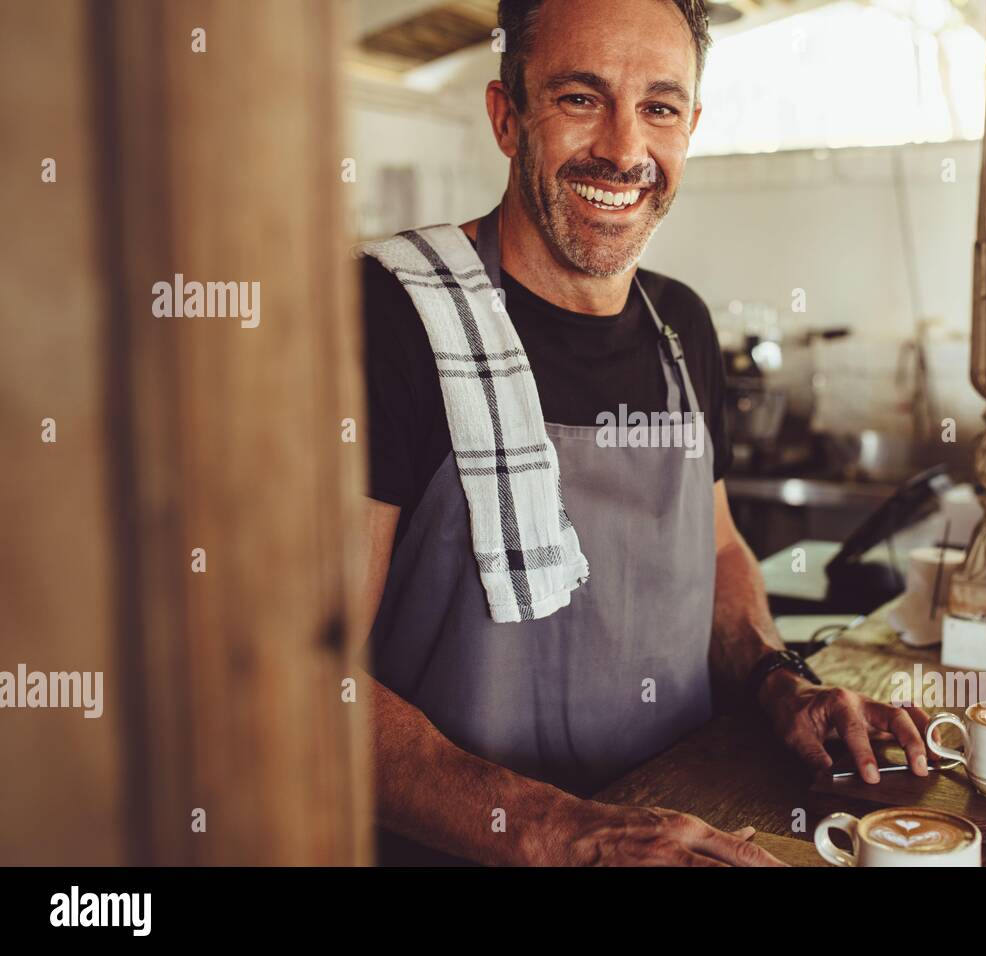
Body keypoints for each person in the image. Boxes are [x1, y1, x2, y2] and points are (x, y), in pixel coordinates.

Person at [359, 0, 932, 866]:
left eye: (659, 108)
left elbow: (721, 555)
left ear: (690, 127)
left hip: (697, 829)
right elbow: (300, 676)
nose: (625, 150)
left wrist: (781, 684)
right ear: (507, 116)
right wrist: (560, 830)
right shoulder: (390, 316)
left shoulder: (682, 328)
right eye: (581, 99)